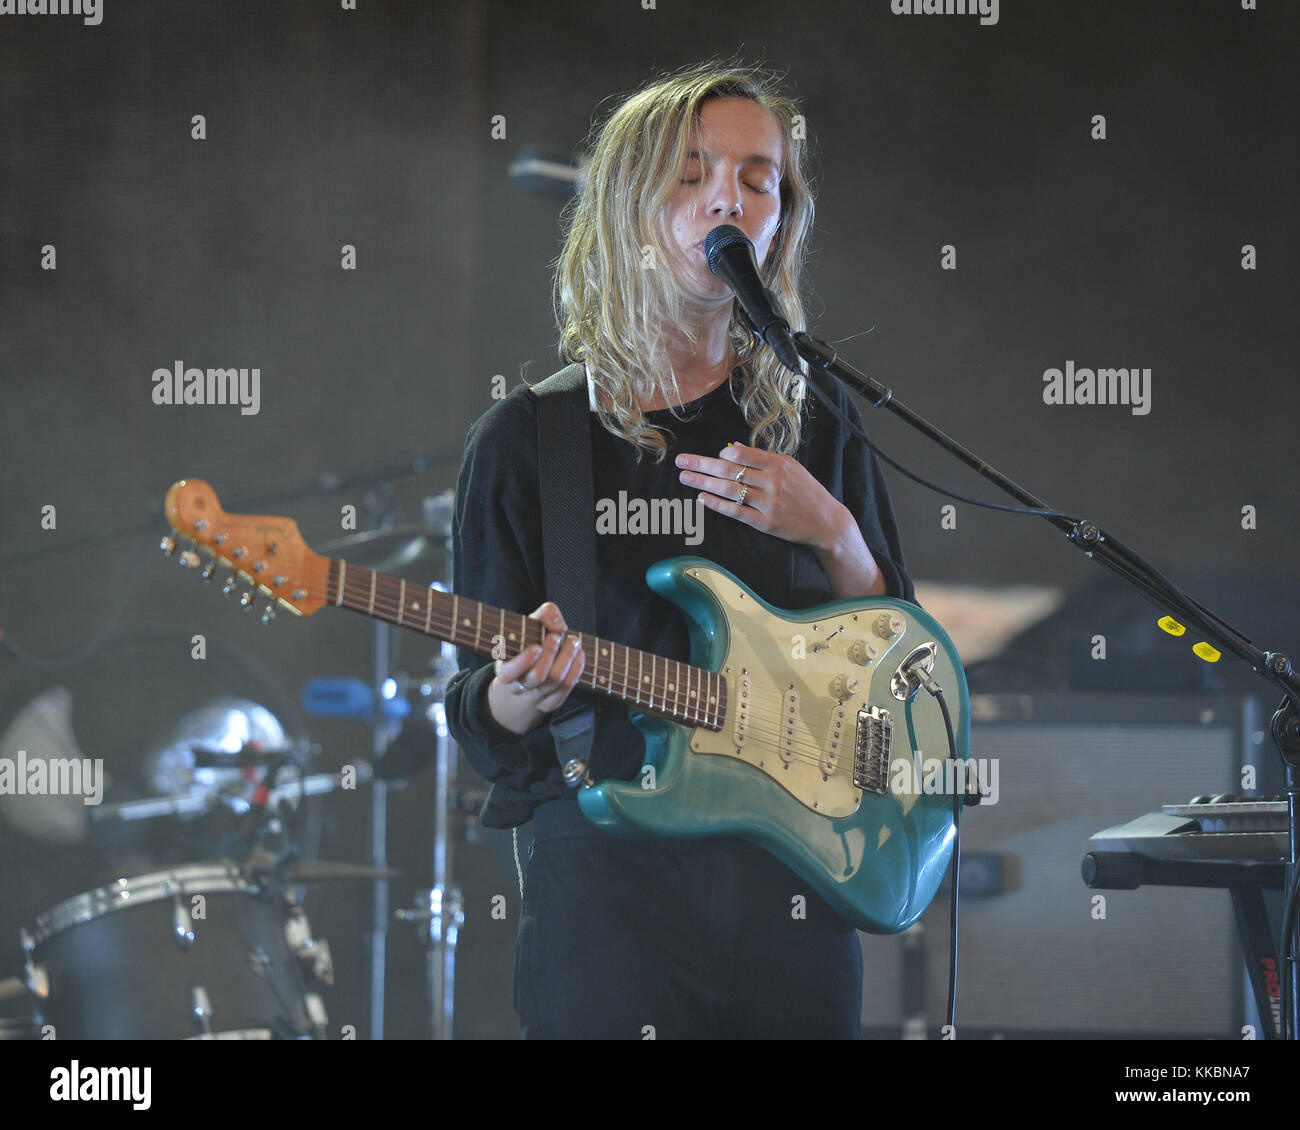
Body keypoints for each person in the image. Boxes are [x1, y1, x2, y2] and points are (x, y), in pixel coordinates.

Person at [445, 60, 914, 1039]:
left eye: (758, 177)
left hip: (793, 875)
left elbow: (899, 662)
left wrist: (832, 531)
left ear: (782, 216)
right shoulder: (530, 439)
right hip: (607, 888)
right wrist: (516, 691)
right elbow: (478, 716)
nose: (727, 198)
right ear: (625, 205)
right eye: (692, 171)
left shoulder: (816, 422)